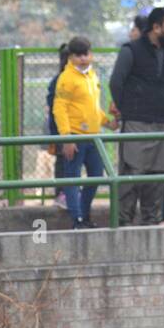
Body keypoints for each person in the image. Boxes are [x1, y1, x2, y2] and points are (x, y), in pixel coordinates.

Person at [109, 5, 164, 225]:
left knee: (156, 176)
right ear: (156, 27)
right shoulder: (131, 50)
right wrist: (127, 109)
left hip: (162, 122)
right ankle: (123, 223)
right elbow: (116, 82)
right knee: (132, 174)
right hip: (136, 123)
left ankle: (152, 222)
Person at [52, 36, 112, 228]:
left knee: (96, 175)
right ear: (71, 57)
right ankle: (76, 219)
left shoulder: (92, 75)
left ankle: (85, 215)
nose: (83, 59)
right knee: (73, 178)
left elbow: (93, 107)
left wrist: (107, 122)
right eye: (78, 56)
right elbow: (59, 109)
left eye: (86, 54)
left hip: (94, 137)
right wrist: (66, 137)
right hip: (75, 136)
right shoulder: (66, 78)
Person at [46, 43, 72, 209]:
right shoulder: (59, 81)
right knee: (62, 160)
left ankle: (68, 192)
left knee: (69, 161)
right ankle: (61, 193)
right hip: (60, 129)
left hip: (74, 128)